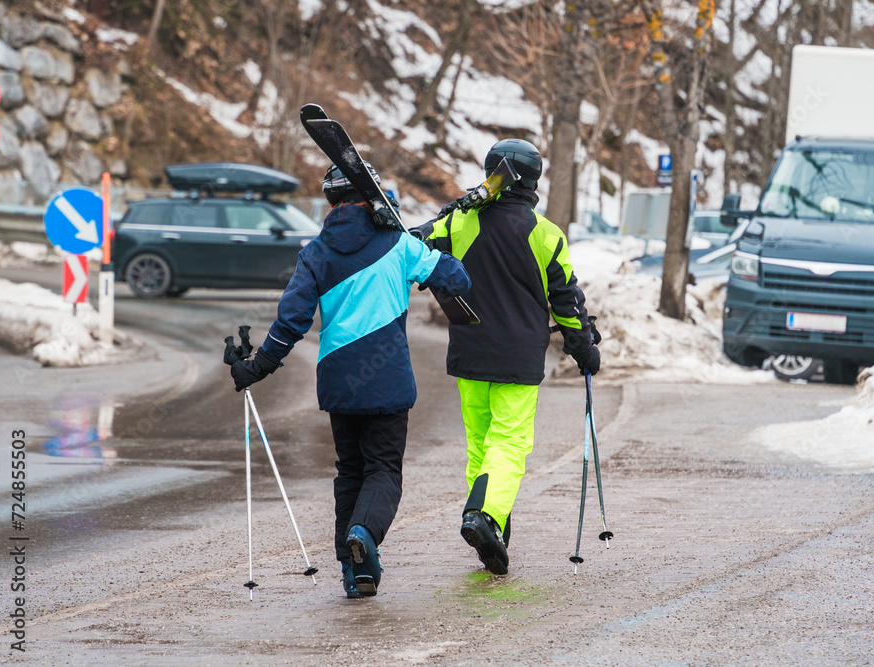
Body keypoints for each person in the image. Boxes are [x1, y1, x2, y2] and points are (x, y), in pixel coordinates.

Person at [229, 161, 471, 598]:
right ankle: (364, 534)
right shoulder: (399, 245)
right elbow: (458, 279)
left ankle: (353, 571)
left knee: (350, 472)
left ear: (331, 202)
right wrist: (418, 246)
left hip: (339, 381)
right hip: (389, 382)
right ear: (374, 196)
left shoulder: (315, 252)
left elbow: (291, 323)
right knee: (382, 470)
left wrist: (256, 366)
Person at [413, 138, 600, 575]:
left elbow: (415, 244)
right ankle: (484, 517)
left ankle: (490, 527)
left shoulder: (458, 224)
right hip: (518, 359)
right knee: (511, 442)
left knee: (481, 446)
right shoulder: (545, 234)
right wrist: (583, 349)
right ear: (534, 179)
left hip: (469, 351)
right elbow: (567, 302)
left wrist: (440, 217)